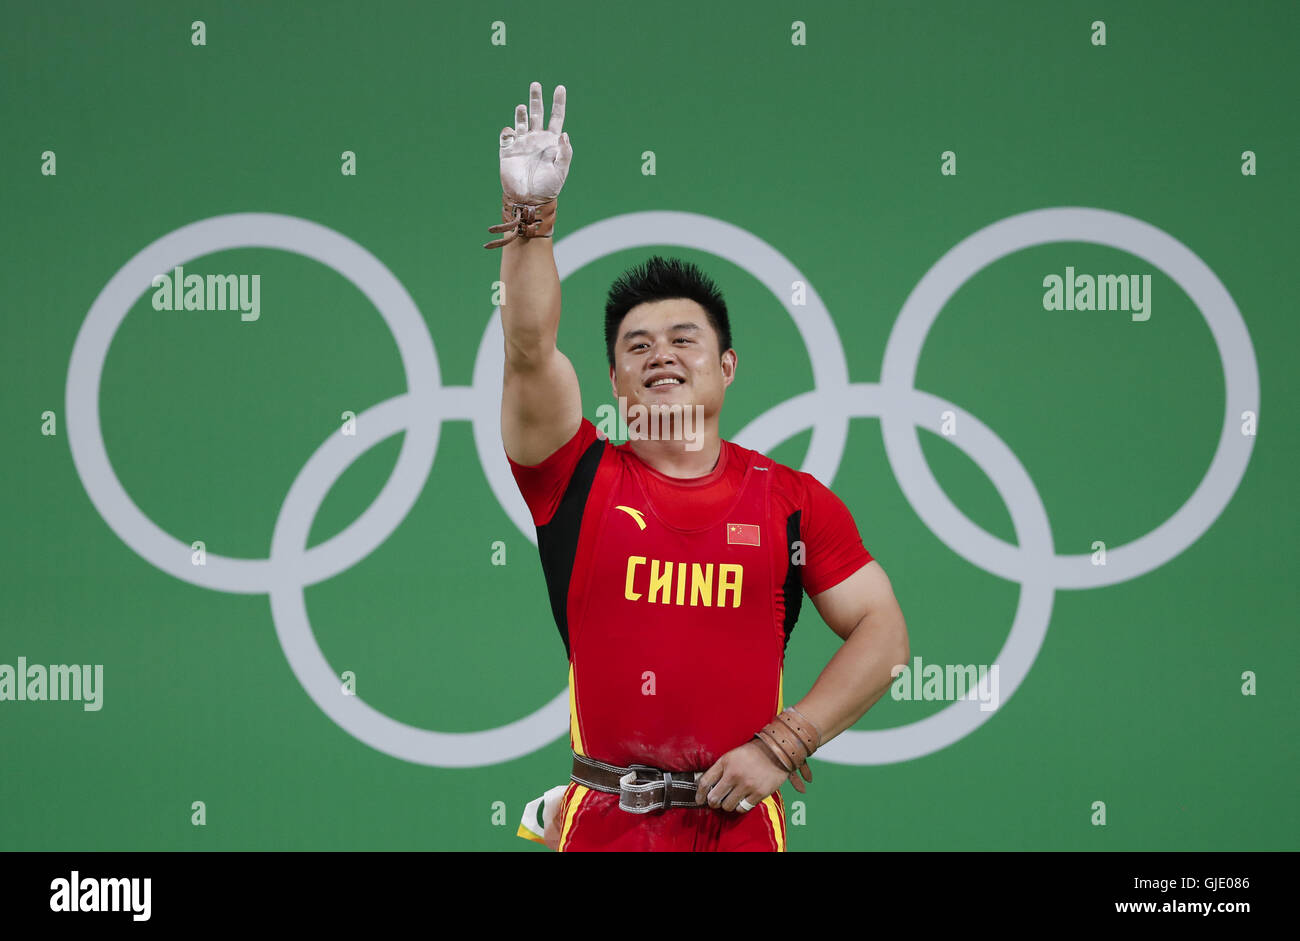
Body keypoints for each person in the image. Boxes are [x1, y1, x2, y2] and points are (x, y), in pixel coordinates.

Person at [491, 81, 909, 852]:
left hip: (742, 827)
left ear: (726, 366)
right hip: (605, 825)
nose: (661, 356)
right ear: (614, 381)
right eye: (637, 347)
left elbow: (883, 635)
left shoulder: (793, 501)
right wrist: (531, 225)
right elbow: (526, 349)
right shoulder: (573, 479)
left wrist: (785, 743)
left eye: (684, 340)